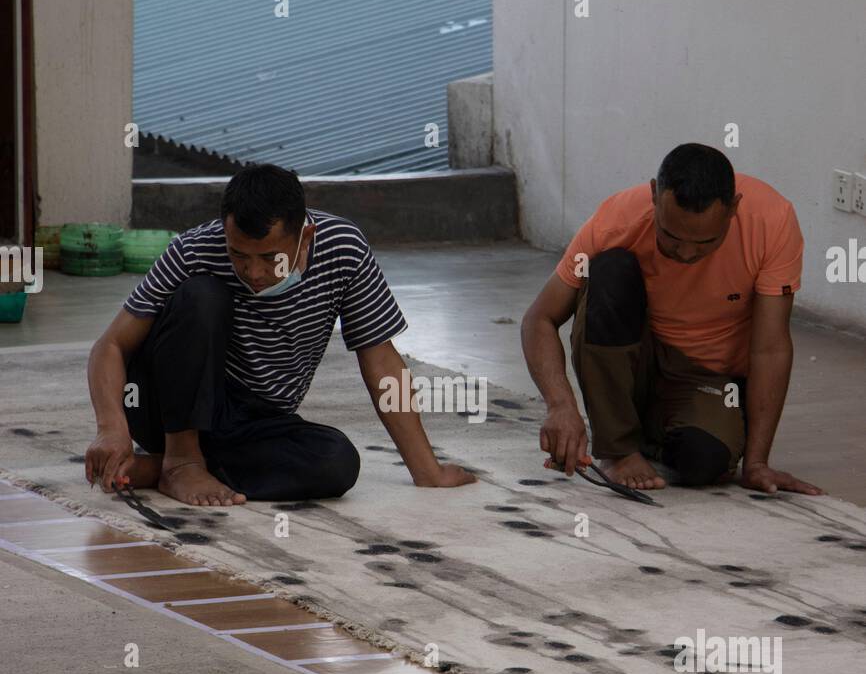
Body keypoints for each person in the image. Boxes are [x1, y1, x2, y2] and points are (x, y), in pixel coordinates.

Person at [85, 164, 476, 505]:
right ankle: (182, 459)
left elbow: (381, 359)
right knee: (201, 297)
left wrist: (428, 470)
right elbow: (112, 345)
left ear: (304, 237)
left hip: (256, 419)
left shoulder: (344, 250)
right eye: (239, 255)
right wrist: (111, 428)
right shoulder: (194, 249)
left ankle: (163, 469)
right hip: (168, 406)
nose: (253, 273)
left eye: (271, 258)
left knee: (336, 462)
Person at [521, 143, 822, 496]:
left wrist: (756, 463)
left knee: (703, 462)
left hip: (705, 377)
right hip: (637, 360)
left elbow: (770, 348)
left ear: (734, 209)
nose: (686, 253)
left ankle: (649, 431)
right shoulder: (617, 219)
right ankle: (618, 449)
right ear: (654, 194)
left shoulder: (772, 220)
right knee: (609, 270)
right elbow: (539, 318)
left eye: (706, 242)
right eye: (671, 237)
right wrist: (560, 406)